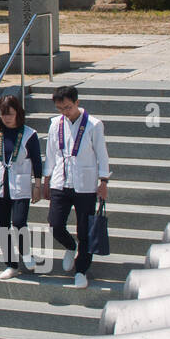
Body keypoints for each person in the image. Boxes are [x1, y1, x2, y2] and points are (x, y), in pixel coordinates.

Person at [44, 85, 110, 289]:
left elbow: (102, 154)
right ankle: (70, 246)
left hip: (85, 184)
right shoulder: (56, 124)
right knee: (55, 224)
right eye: (60, 108)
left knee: (85, 230)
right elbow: (51, 153)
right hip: (60, 181)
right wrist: (46, 181)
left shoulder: (93, 124)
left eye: (68, 107)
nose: (65, 112)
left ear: (77, 103)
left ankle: (81, 270)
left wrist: (104, 181)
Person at [0, 94, 44, 279]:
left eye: (10, 114)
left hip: (19, 185)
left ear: (18, 113)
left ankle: (26, 252)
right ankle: (11, 264)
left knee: (19, 222)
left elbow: (37, 162)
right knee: (2, 226)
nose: (6, 117)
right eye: (3, 113)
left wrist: (37, 185)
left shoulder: (29, 134)